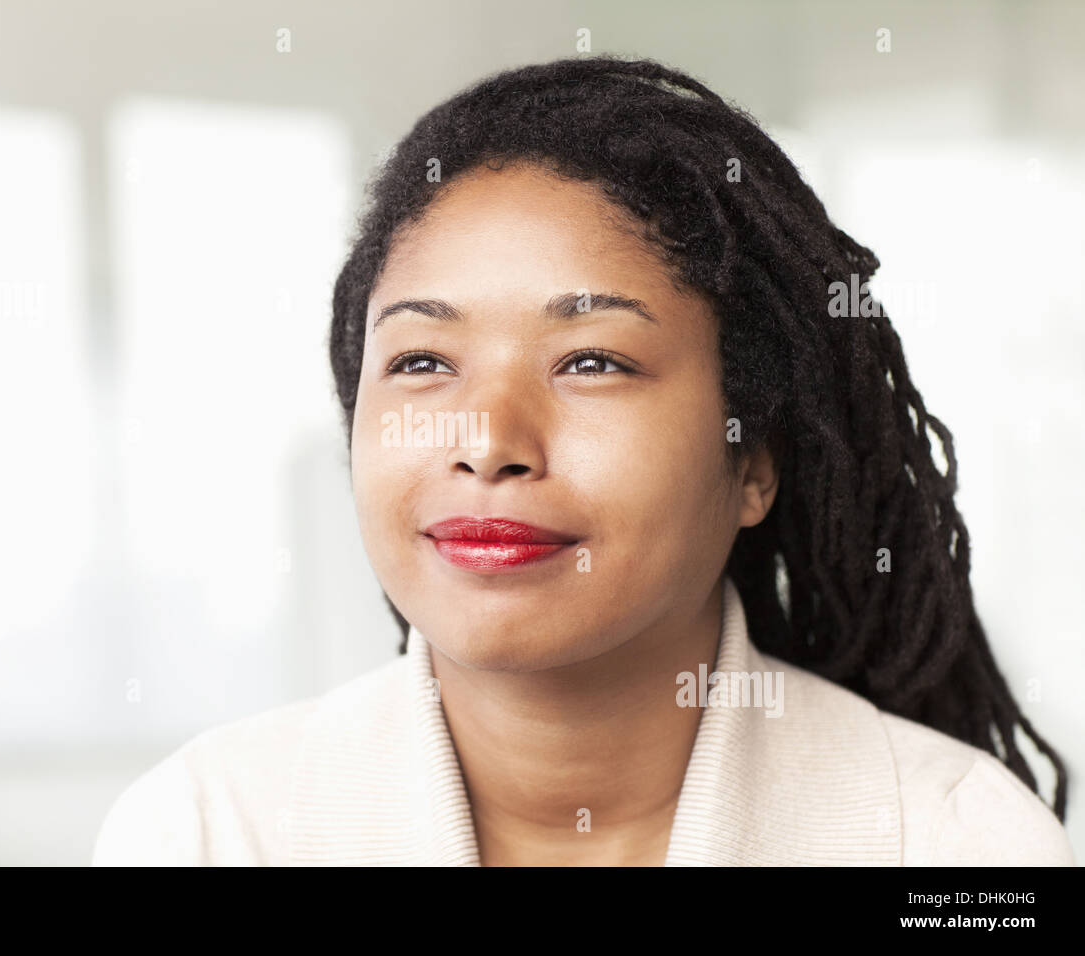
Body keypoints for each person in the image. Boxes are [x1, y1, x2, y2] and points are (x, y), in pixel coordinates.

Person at [92, 54, 1074, 866]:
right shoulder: (204, 832)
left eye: (592, 361)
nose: (485, 442)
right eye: (423, 360)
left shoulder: (956, 846)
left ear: (753, 463)